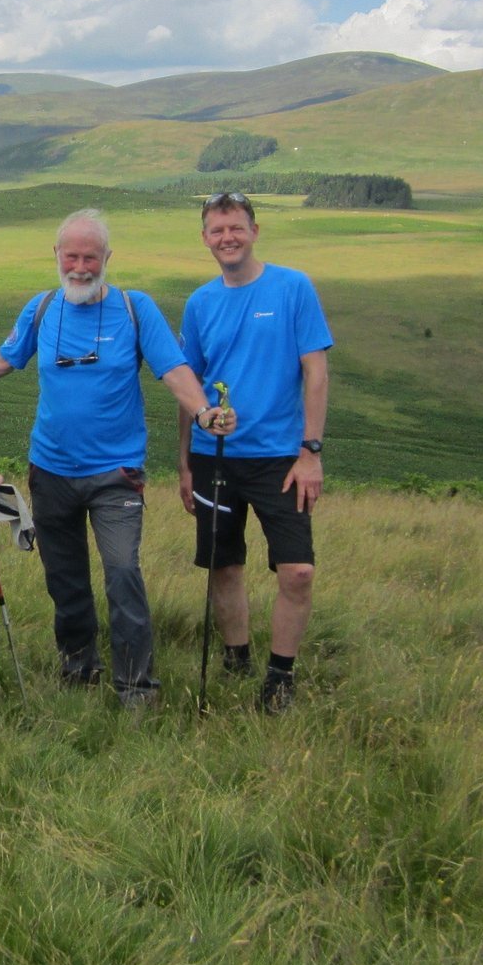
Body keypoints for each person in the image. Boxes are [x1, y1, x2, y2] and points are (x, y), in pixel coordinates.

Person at [0, 208, 231, 710]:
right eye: (71, 256)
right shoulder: (42, 308)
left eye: (90, 257)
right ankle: (79, 669)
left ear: (107, 259)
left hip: (115, 475)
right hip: (50, 471)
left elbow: (175, 371)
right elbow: (1, 360)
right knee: (65, 577)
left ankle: (136, 688)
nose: (80, 266)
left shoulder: (134, 308)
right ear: (56, 256)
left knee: (122, 573)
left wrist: (204, 411)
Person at [176, 193, 332, 714]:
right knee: (224, 565)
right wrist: (183, 462)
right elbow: (188, 386)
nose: (227, 238)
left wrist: (310, 451)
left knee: (298, 571)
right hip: (213, 455)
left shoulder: (292, 287)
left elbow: (316, 371)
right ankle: (237, 658)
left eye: (236, 228)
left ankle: (280, 674)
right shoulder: (199, 303)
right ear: (204, 238)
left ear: (255, 230)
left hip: (280, 459)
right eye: (217, 230)